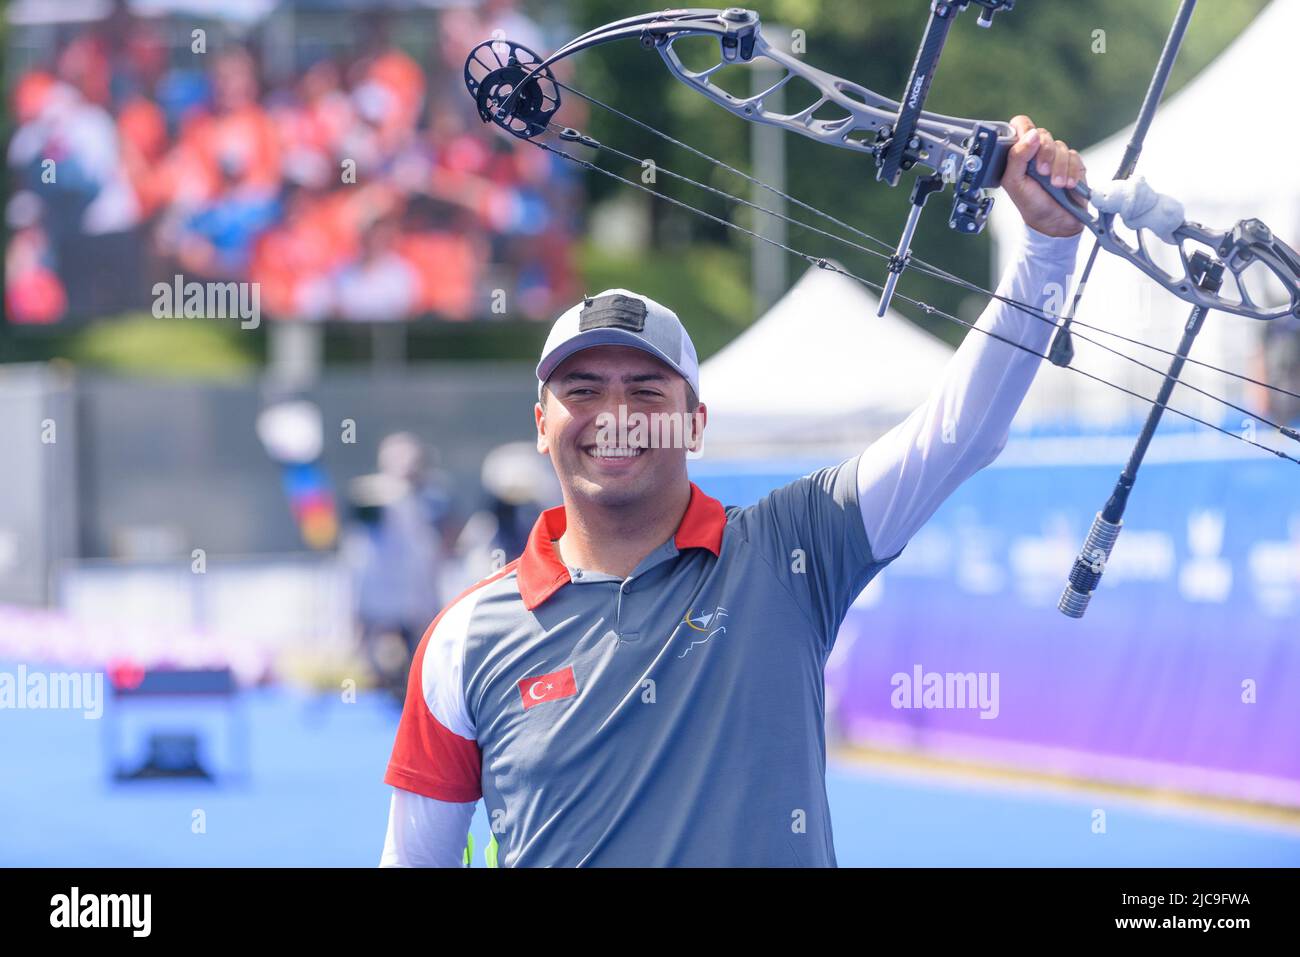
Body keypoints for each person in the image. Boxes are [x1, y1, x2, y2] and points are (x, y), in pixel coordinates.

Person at [380, 116, 1086, 866]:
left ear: (695, 423)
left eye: (647, 392)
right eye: (582, 390)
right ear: (541, 425)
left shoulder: (792, 546)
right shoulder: (462, 636)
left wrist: (1046, 247)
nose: (615, 417)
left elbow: (959, 433)